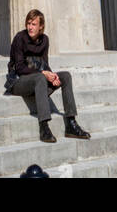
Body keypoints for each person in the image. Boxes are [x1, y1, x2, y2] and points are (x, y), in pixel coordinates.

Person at [5, 8, 90, 145]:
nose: (30, 27)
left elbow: (44, 65)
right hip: (17, 82)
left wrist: (52, 76)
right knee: (40, 78)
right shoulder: (20, 38)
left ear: (41, 27)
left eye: (33, 24)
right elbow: (19, 68)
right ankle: (44, 127)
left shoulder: (44, 40)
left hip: (36, 81)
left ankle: (71, 123)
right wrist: (43, 74)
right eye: (28, 23)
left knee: (65, 76)